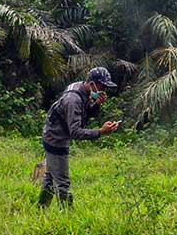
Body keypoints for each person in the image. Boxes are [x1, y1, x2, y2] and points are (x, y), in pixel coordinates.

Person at [39, 67, 120, 209]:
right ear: (92, 83)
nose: (104, 90)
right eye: (103, 86)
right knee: (63, 182)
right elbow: (76, 132)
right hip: (56, 139)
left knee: (50, 177)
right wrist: (101, 132)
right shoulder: (73, 99)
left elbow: (85, 112)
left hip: (53, 133)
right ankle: (67, 217)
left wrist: (96, 105)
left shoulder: (81, 88)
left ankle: (41, 209)